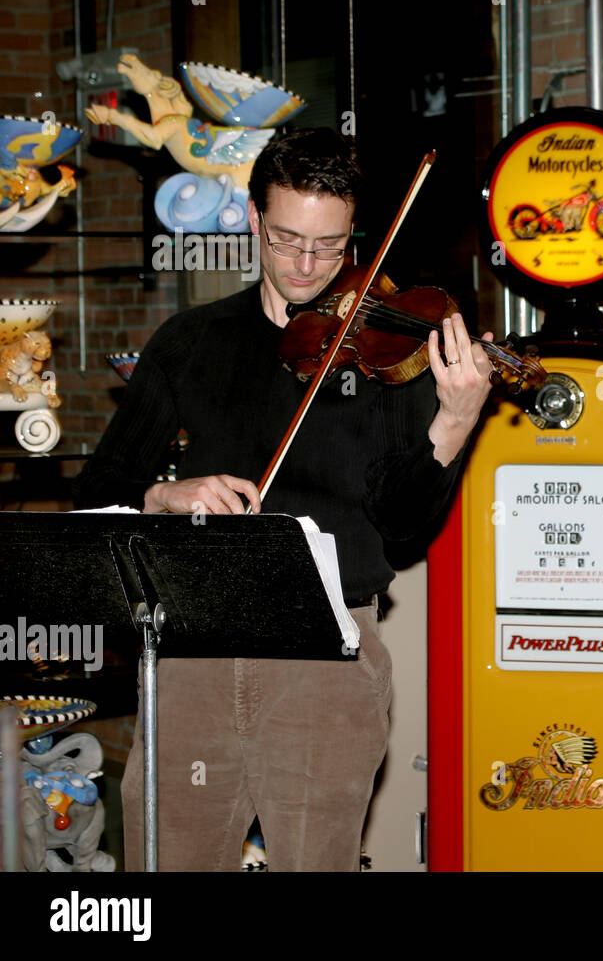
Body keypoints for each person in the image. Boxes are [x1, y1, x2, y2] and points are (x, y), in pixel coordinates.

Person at [73, 127, 494, 871]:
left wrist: (454, 422)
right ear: (251, 219)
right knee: (165, 860)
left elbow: (402, 533)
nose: (306, 265)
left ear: (354, 237)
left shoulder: (389, 349)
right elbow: (99, 490)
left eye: (330, 247)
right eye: (288, 238)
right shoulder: (191, 341)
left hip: (325, 663)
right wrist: (167, 492)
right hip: (192, 651)